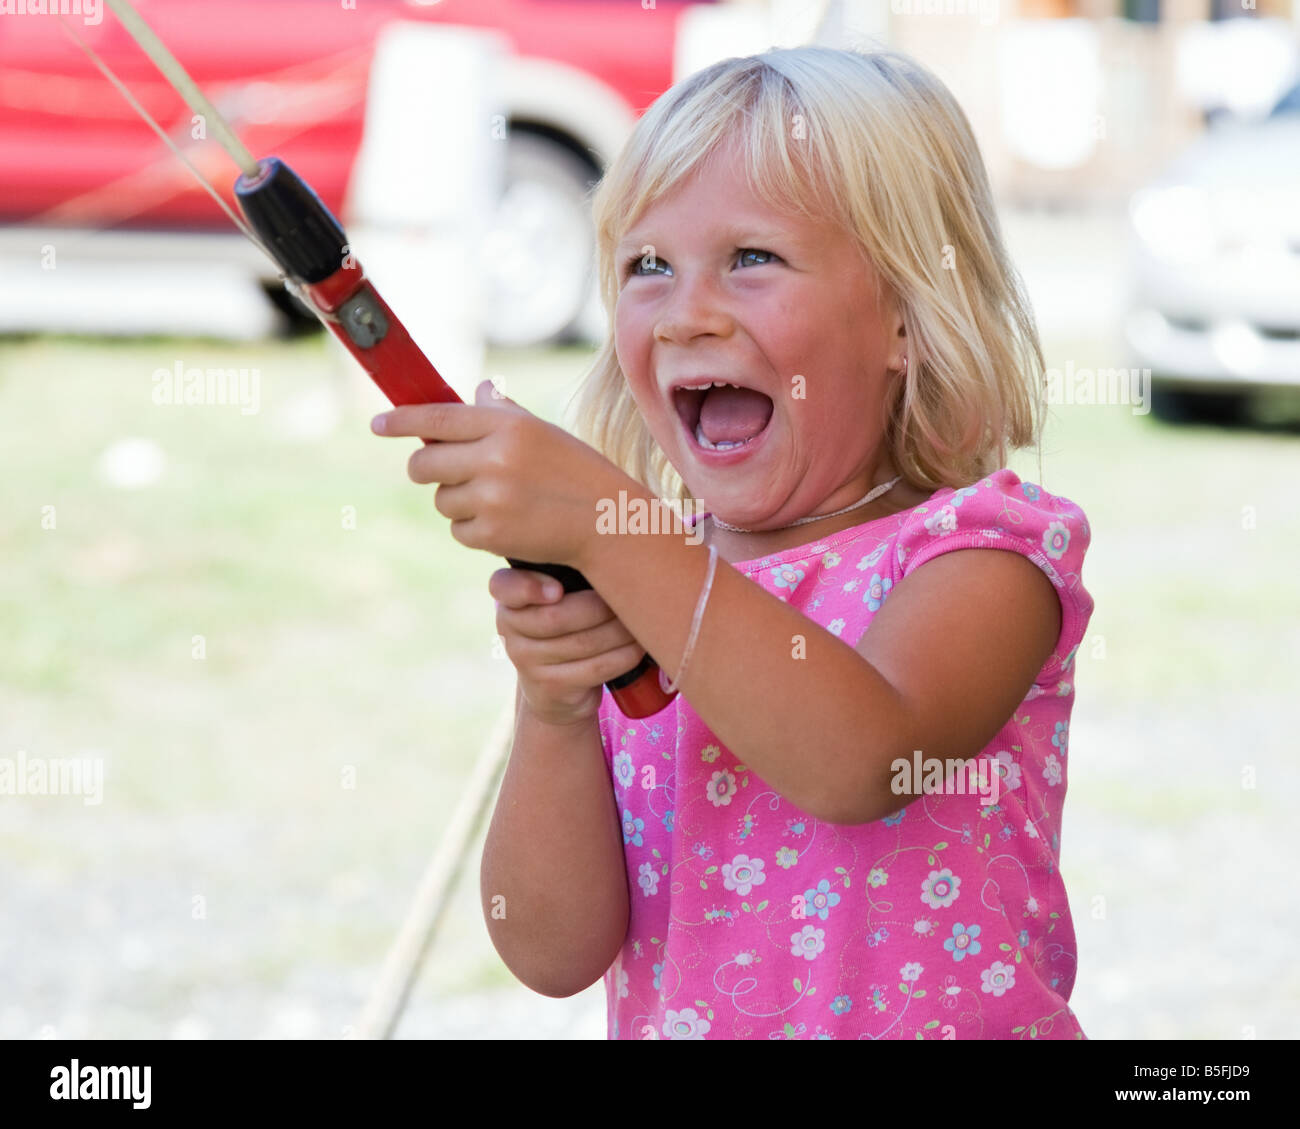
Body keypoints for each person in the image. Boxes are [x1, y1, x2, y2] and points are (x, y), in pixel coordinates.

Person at [373, 45, 1093, 1040]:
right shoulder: (644, 582)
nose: (685, 315)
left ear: (904, 315)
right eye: (646, 266)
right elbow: (550, 952)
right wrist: (552, 707)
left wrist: (603, 529)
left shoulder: (982, 555)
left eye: (750, 258)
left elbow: (859, 760)